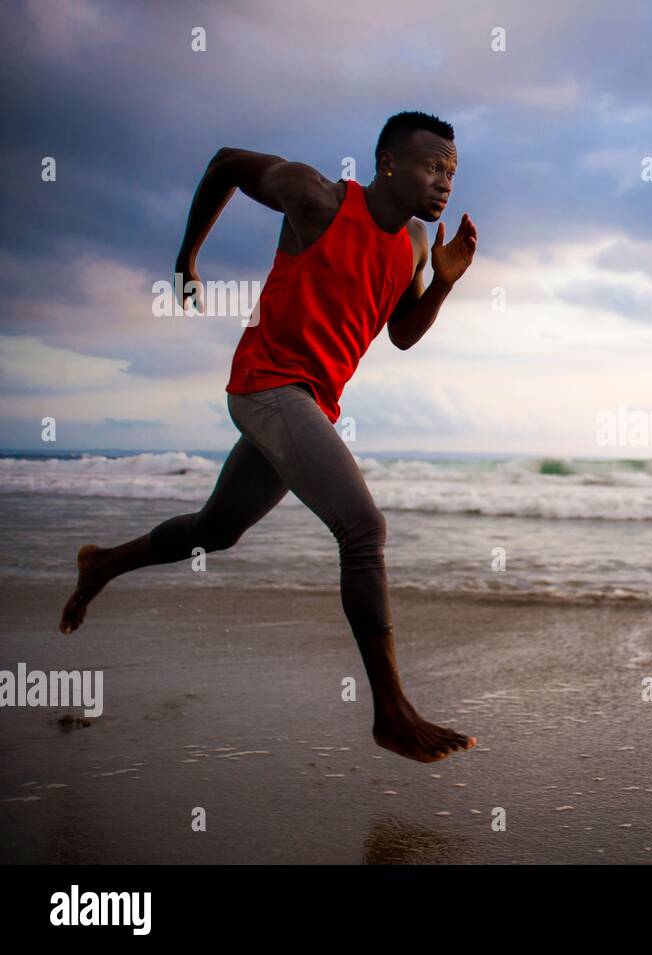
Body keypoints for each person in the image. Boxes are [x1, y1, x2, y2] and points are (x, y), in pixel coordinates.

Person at [58, 110, 479, 763]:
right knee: (363, 528)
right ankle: (391, 710)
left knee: (215, 529)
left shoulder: (416, 248)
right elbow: (225, 159)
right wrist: (186, 256)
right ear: (389, 163)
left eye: (451, 171)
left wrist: (444, 284)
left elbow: (400, 332)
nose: (444, 182)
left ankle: (102, 562)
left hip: (311, 403)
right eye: (432, 166)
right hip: (266, 385)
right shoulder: (318, 199)